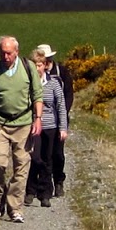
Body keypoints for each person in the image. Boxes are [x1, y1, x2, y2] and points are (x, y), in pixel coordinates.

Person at [0, 35, 43, 223]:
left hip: (23, 124)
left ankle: (15, 208)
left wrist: (37, 119)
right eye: (2, 52)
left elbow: (38, 95)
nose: (5, 56)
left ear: (16, 52)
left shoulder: (28, 67)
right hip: (0, 124)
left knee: (21, 166)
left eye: (8, 53)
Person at [25, 45, 68, 209]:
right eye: (34, 65)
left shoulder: (54, 84)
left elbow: (61, 107)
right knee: (35, 158)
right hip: (33, 126)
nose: (37, 68)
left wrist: (63, 128)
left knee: (48, 160)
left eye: (40, 65)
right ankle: (30, 190)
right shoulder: (27, 84)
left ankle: (45, 194)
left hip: (51, 126)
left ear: (45, 65)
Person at [36, 45, 74, 195]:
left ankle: (59, 181)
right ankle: (44, 184)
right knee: (42, 154)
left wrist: (62, 116)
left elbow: (68, 94)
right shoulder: (35, 74)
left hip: (58, 119)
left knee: (58, 153)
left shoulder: (62, 72)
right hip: (41, 122)